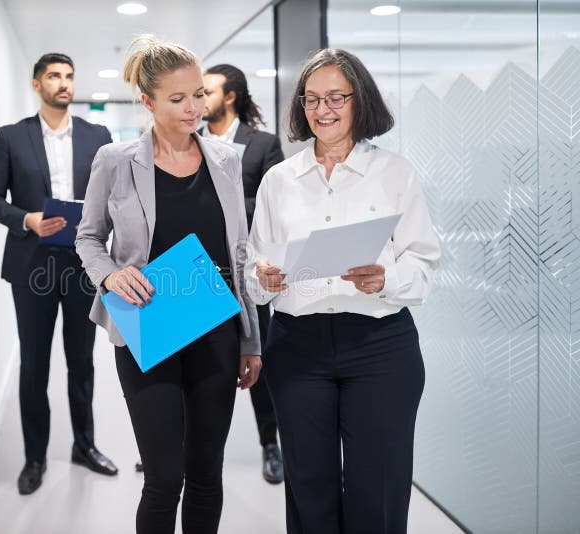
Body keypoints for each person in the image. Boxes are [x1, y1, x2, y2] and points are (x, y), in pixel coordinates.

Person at [246, 48, 441, 533]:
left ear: (360, 102)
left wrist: (386, 278)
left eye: (336, 97)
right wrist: (263, 279)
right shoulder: (278, 180)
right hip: (298, 347)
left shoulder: (395, 172)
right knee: (309, 487)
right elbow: (255, 267)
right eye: (311, 100)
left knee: (379, 489)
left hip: (379, 347)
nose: (322, 110)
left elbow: (423, 263)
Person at [76, 35, 262, 534]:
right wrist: (111, 274)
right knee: (164, 477)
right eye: (178, 99)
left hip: (215, 329)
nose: (193, 107)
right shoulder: (115, 161)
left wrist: (250, 338)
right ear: (148, 102)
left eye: (198, 95)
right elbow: (89, 238)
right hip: (148, 327)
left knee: (206, 473)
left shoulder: (225, 158)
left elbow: (238, 256)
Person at [0, 52, 117, 496]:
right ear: (36, 84)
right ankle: (34, 458)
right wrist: (27, 219)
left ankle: (85, 445)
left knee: (82, 362)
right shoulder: (11, 137)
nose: (63, 83)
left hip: (83, 263)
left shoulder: (99, 136)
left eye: (69, 76)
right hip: (32, 264)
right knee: (34, 365)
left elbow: (116, 194)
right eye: (54, 76)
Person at [201, 63, 285, 484]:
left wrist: (230, 209)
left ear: (230, 96)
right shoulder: (190, 142)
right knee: (188, 357)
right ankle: (174, 449)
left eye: (208, 91)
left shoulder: (263, 144)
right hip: (196, 270)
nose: (199, 98)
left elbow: (277, 205)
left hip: (247, 268)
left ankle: (271, 445)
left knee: (258, 358)